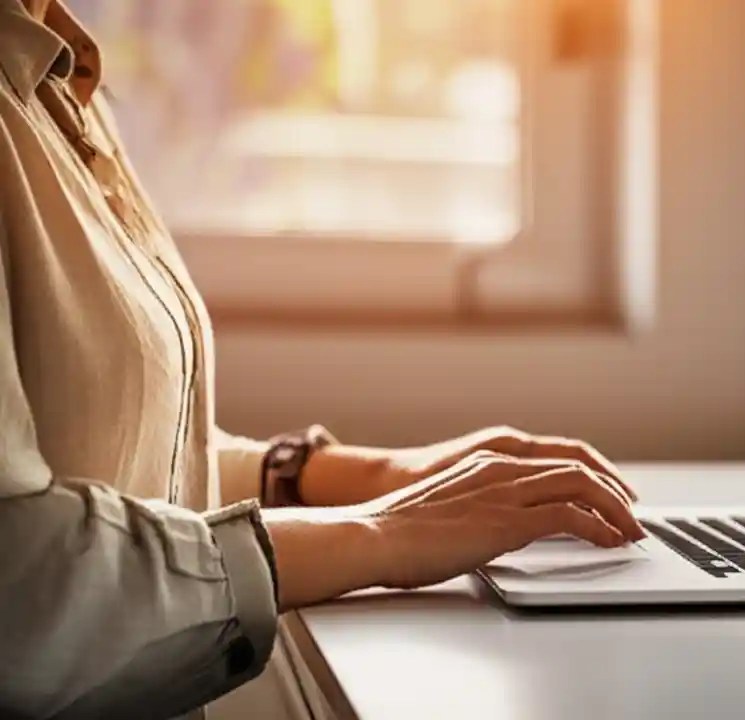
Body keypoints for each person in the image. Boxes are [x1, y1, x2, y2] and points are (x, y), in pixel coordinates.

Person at [0, 1, 645, 718]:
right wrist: (385, 533)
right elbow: (19, 579)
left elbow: (109, 449)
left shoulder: (55, 70)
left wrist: (335, 476)